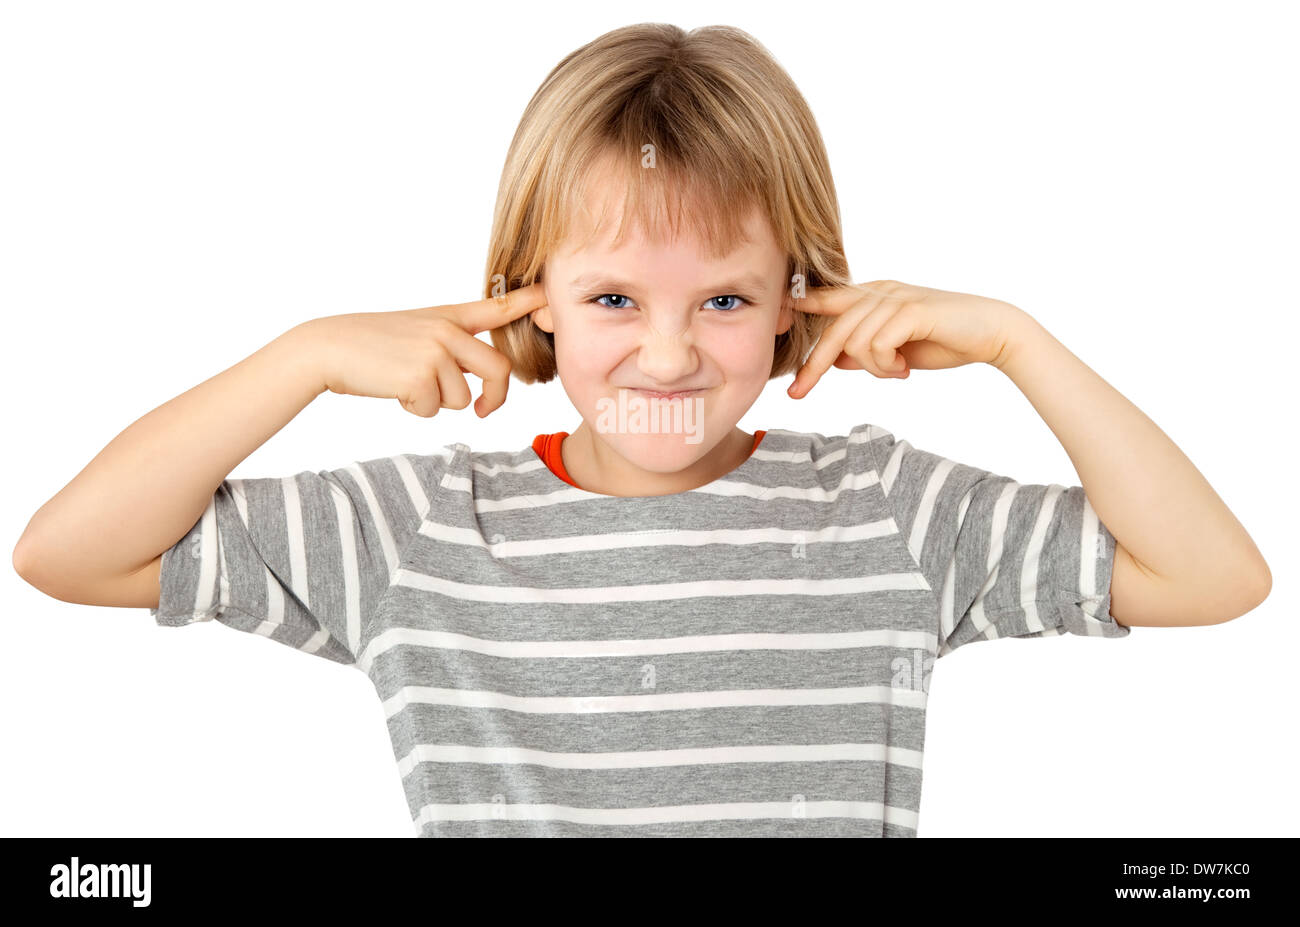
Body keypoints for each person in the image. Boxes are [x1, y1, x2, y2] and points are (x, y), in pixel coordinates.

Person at [12, 23, 1270, 837]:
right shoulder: (423, 529)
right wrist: (303, 356)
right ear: (532, 297)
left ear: (797, 298)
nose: (667, 353)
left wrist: (1016, 341)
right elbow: (73, 554)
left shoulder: (885, 507)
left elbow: (1212, 577)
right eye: (613, 298)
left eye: (723, 300)